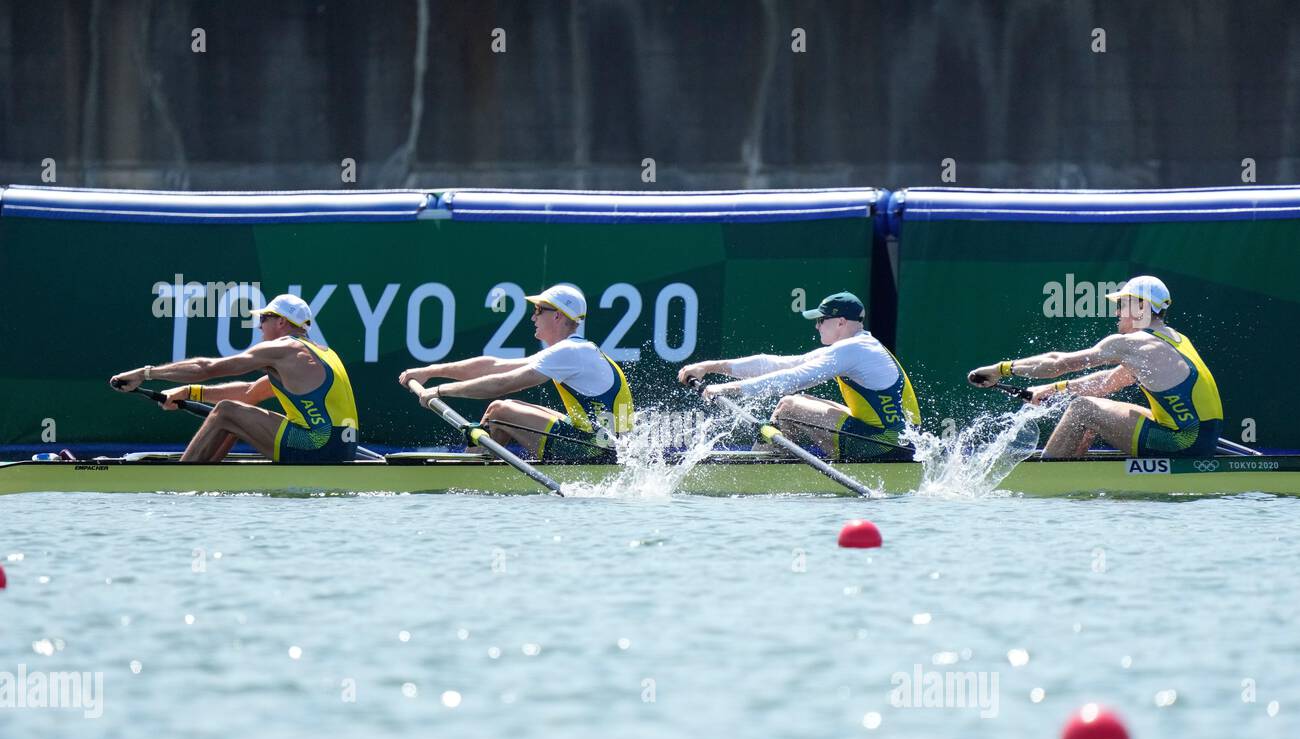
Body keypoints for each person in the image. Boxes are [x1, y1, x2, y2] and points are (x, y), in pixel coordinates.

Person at [968, 275, 1223, 459]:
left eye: (1122, 305)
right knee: (1091, 403)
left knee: (1082, 408)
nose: (1117, 312)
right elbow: (1109, 382)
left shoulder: (1133, 344)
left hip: (1183, 443)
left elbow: (1059, 363)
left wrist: (999, 369)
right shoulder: (1173, 340)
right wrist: (1051, 389)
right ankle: (1074, 475)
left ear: (1142, 306)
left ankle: (1048, 481)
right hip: (1199, 438)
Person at [109, 293, 359, 463]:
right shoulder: (323, 353)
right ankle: (204, 473)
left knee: (226, 412)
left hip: (317, 445)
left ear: (282, 322)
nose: (259, 326)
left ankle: (181, 477)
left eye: (264, 319)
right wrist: (188, 392)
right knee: (237, 413)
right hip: (341, 447)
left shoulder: (282, 349)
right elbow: (250, 393)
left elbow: (206, 367)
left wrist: (145, 373)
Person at [397, 283, 633, 462]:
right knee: (499, 410)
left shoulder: (570, 352)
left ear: (558, 315)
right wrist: (430, 371)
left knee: (500, 411)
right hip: (600, 445)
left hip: (597, 453)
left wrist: (439, 390)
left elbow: (502, 383)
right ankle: (475, 470)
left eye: (539, 310)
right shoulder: (573, 351)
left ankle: (466, 478)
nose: (533, 316)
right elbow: (494, 366)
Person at [676, 291, 919, 459]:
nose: (817, 326)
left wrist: (726, 389)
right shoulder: (860, 346)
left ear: (841, 322)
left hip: (883, 446)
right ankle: (769, 462)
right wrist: (708, 367)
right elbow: (779, 365)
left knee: (790, 406)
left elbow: (791, 379)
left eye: (821, 320)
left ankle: (759, 469)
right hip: (895, 442)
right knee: (790, 405)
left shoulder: (852, 350)